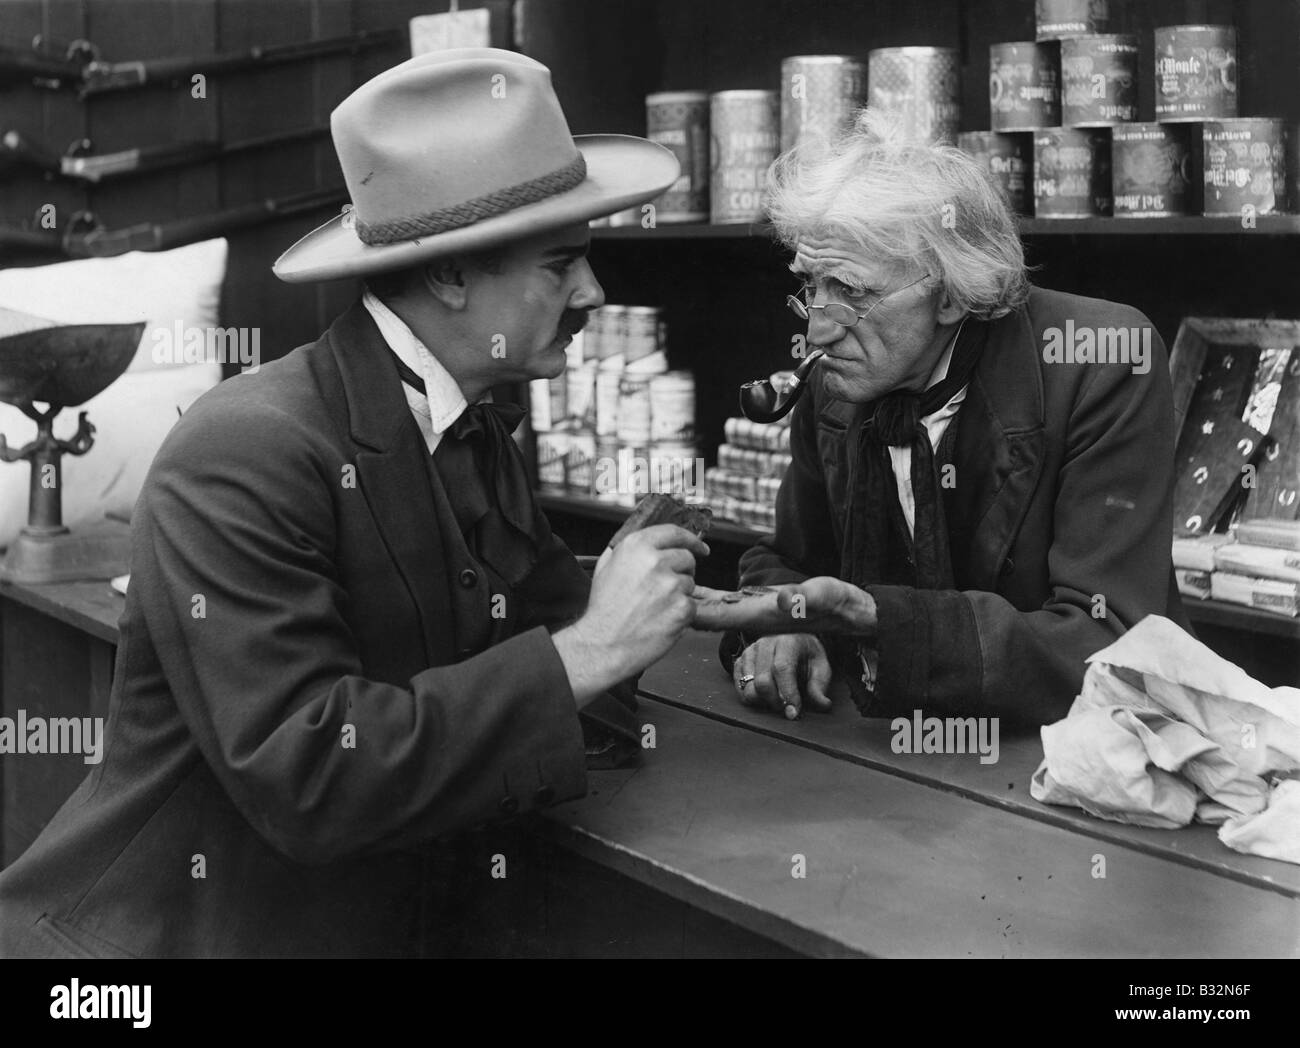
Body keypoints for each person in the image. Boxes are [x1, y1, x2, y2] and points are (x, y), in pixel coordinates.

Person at [0, 48, 705, 958]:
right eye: (560, 263)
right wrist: (597, 644)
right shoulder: (244, 450)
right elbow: (308, 776)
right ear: (451, 275)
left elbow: (534, 640)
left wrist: (663, 599)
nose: (592, 293)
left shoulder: (467, 419)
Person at [693, 110, 1190, 726]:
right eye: (810, 285)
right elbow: (793, 559)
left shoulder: (1100, 360)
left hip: (1069, 763)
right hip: (879, 762)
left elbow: (1111, 644)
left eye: (851, 291)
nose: (817, 330)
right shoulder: (837, 376)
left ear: (953, 293)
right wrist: (780, 631)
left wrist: (879, 620)